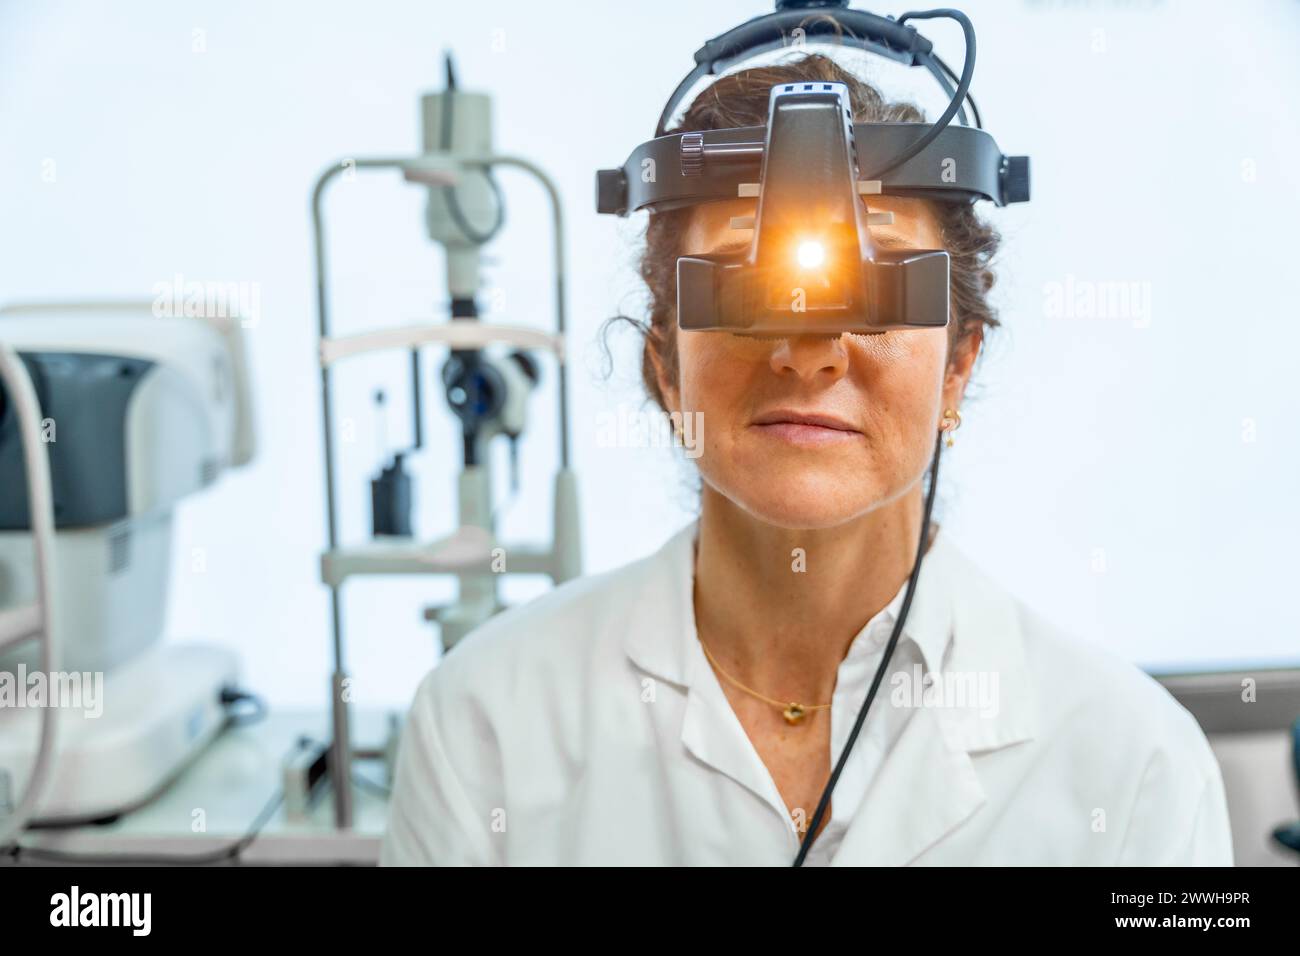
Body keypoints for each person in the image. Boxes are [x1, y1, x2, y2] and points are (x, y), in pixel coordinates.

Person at [380, 55, 1233, 866]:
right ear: (663, 367)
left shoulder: (1137, 766)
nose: (808, 352)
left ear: (959, 364)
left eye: (877, 288)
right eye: (744, 287)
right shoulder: (482, 726)